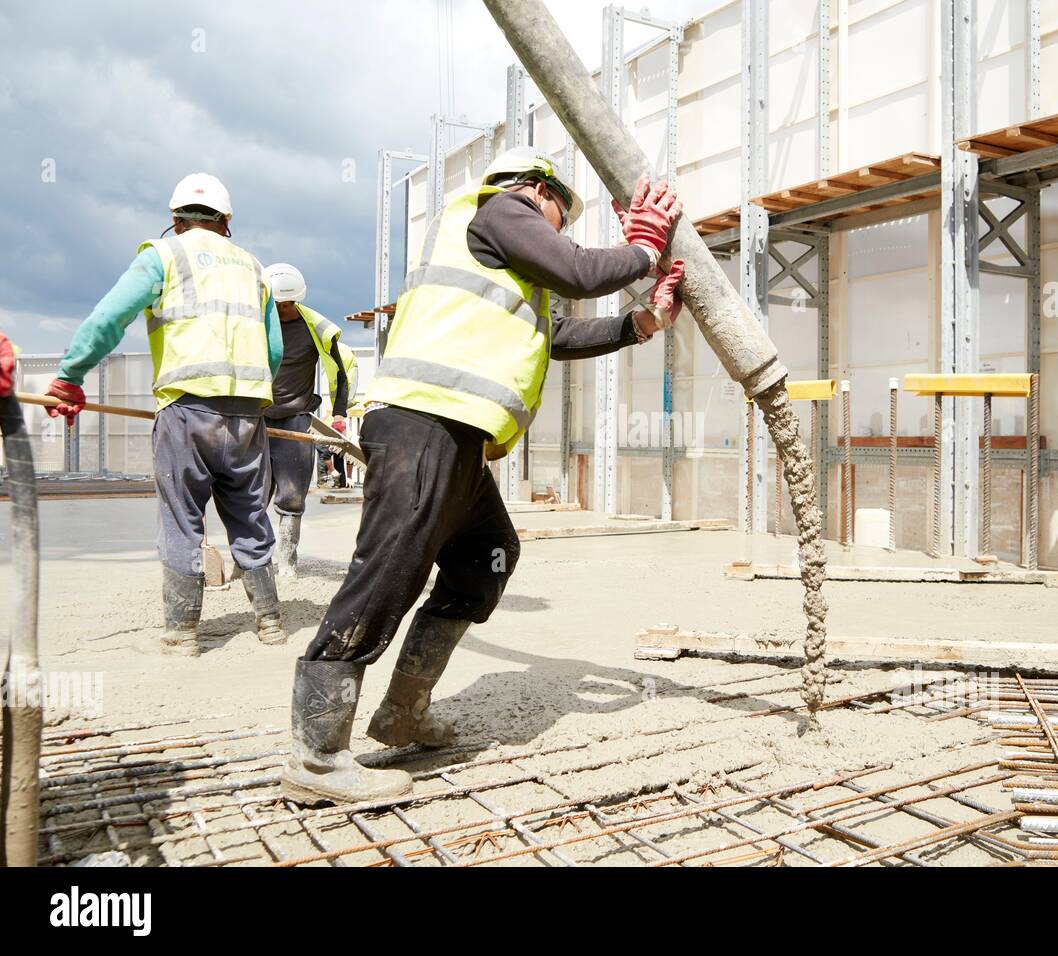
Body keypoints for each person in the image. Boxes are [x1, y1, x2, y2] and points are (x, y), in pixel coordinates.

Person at [281, 148, 686, 804]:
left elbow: (553, 332)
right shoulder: (501, 210)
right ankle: (317, 757)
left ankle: (403, 711)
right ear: (535, 189)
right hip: (422, 423)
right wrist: (641, 247)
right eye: (560, 211)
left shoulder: (501, 258)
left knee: (487, 559)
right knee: (387, 574)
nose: (558, 227)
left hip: (458, 435)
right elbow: (580, 271)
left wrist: (641, 323)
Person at [43, 174, 287, 656]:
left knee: (181, 519)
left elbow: (110, 317)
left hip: (186, 412)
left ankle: (181, 635)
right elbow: (273, 350)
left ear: (174, 219)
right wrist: (252, 397)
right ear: (227, 222)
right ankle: (271, 621)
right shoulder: (254, 267)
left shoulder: (163, 254)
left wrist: (71, 374)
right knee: (251, 515)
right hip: (246, 415)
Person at [261, 263, 356, 577]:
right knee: (249, 494)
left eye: (288, 304)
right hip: (255, 420)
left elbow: (341, 373)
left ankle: (286, 559)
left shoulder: (316, 328)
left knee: (291, 495)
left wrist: (340, 410)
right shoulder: (254, 325)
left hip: (295, 420)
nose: (283, 310)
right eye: (278, 304)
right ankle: (250, 562)